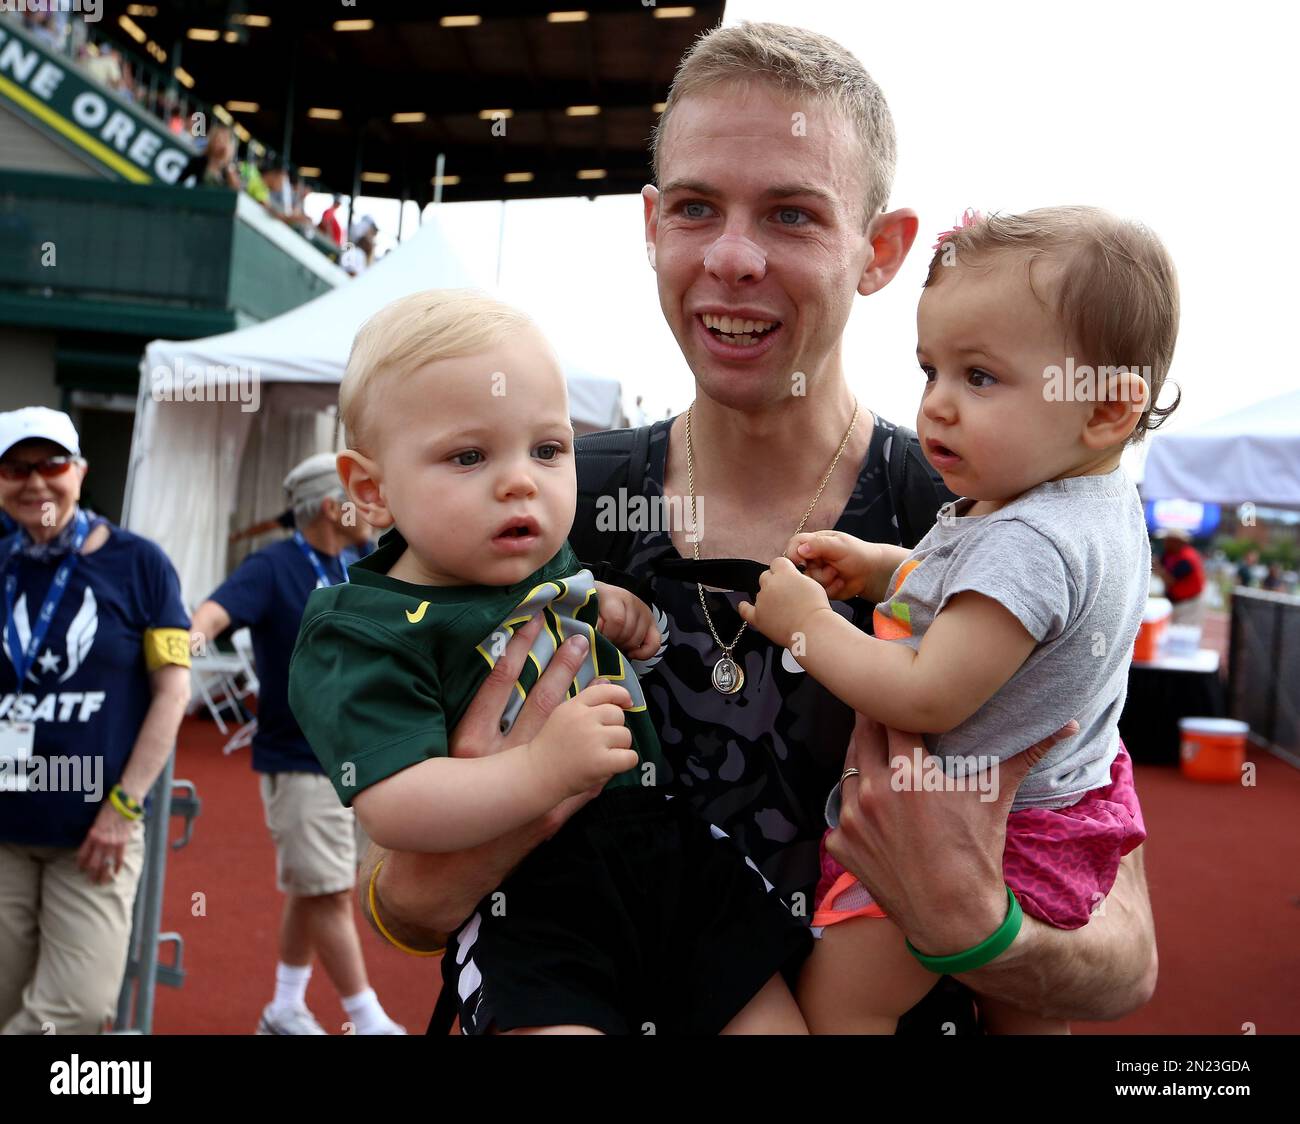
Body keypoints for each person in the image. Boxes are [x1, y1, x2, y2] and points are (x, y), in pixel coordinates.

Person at [362, 21, 1158, 1033]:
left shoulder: (992, 526)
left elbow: (1124, 956)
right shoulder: (533, 507)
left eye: (789, 214)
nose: (733, 259)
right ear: (651, 225)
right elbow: (395, 902)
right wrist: (480, 830)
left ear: (880, 252)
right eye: (696, 208)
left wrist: (978, 924)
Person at [287, 291, 810, 1035]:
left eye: (548, 449)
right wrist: (538, 776)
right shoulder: (362, 631)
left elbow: (588, 617)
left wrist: (637, 622)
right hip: (535, 899)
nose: (520, 481)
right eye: (469, 456)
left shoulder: (545, 559)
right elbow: (388, 802)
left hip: (674, 854)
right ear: (371, 491)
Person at [738, 206, 1175, 1033]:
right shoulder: (1090, 505)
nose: (936, 405)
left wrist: (808, 624)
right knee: (1027, 1016)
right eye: (930, 369)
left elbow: (928, 692)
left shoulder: (1027, 536)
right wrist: (886, 568)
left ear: (1106, 411)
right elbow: (1011, 621)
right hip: (1064, 824)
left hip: (978, 838)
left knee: (843, 1009)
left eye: (979, 378)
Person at [188, 454, 403, 1035]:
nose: (374, 505)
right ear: (334, 507)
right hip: (299, 761)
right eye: (360, 495)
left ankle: (284, 1008)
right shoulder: (273, 567)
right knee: (330, 892)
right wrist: (186, 642)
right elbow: (213, 612)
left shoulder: (363, 560)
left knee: (317, 888)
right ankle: (369, 1020)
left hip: (357, 761)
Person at [0, 408, 192, 1034]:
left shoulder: (141, 564)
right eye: (15, 468)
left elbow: (172, 692)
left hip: (95, 831)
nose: (35, 483)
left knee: (78, 1010)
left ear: (79, 471)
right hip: (5, 830)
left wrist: (125, 806)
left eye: (52, 464)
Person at [1154, 529, 1206, 625]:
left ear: (1176, 542)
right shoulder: (1169, 554)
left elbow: (1171, 580)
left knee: (1182, 634)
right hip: (1175, 601)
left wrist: (1158, 568)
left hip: (1188, 604)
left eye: (1168, 540)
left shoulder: (1187, 558)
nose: (1165, 543)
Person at [180, 125, 242, 191]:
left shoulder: (230, 168)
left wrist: (227, 163)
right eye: (217, 140)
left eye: (223, 141)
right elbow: (180, 181)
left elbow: (236, 190)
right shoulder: (199, 161)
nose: (218, 144)